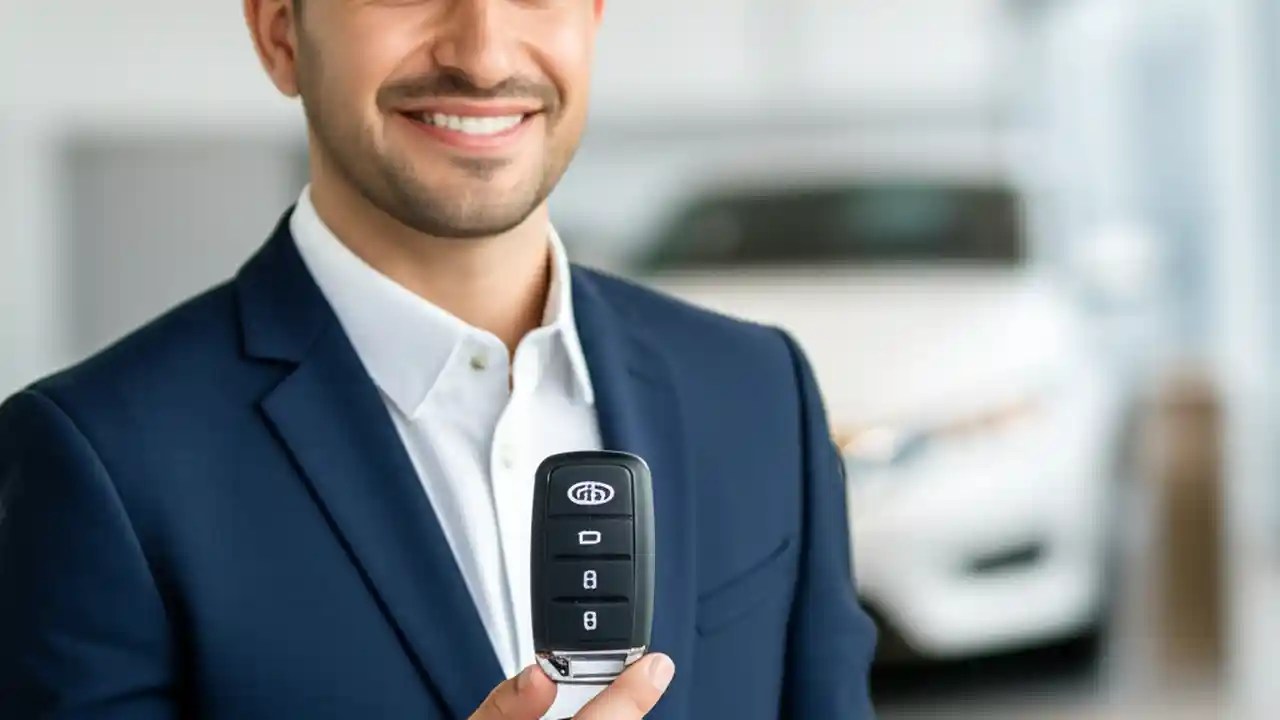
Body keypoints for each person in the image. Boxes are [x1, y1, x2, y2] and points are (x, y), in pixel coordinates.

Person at [0, 0, 877, 717]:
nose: (483, 55)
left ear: (593, 19)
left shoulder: (758, 391)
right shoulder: (101, 462)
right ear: (280, 34)